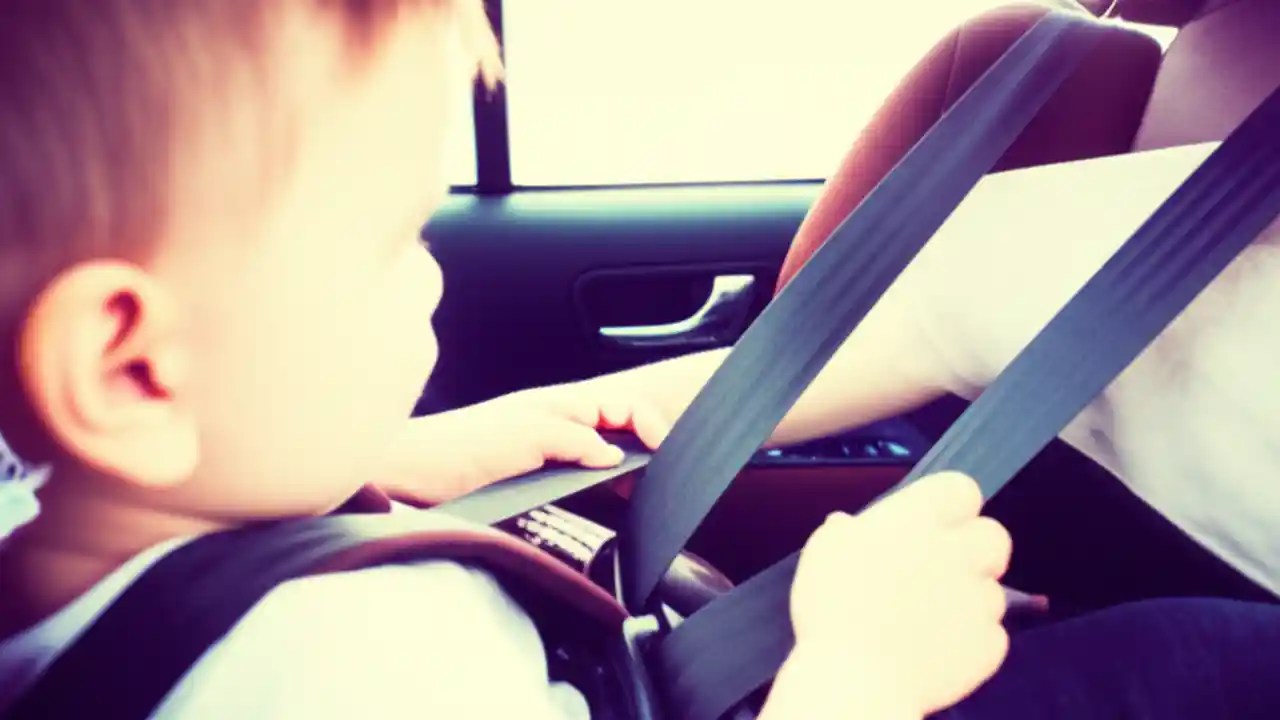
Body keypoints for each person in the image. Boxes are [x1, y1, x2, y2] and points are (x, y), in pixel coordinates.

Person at [0, 2, 1010, 719]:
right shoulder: (338, 677)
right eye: (392, 241)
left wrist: (378, 461)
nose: (431, 277)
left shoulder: (61, 558)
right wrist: (857, 674)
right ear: (128, 372)